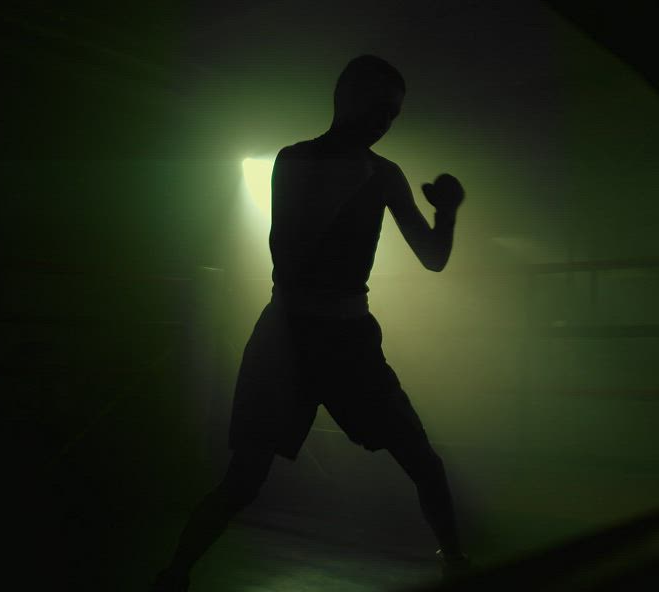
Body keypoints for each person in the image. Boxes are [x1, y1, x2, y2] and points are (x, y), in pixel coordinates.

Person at [152, 55, 470, 590]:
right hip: (293, 336)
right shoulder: (300, 162)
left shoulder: (379, 173)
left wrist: (447, 215)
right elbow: (289, 254)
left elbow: (433, 258)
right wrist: (377, 193)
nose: (384, 122)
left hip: (336, 338)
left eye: (392, 115)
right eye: (379, 109)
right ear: (346, 98)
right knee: (245, 479)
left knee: (422, 460)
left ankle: (459, 564)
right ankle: (175, 573)